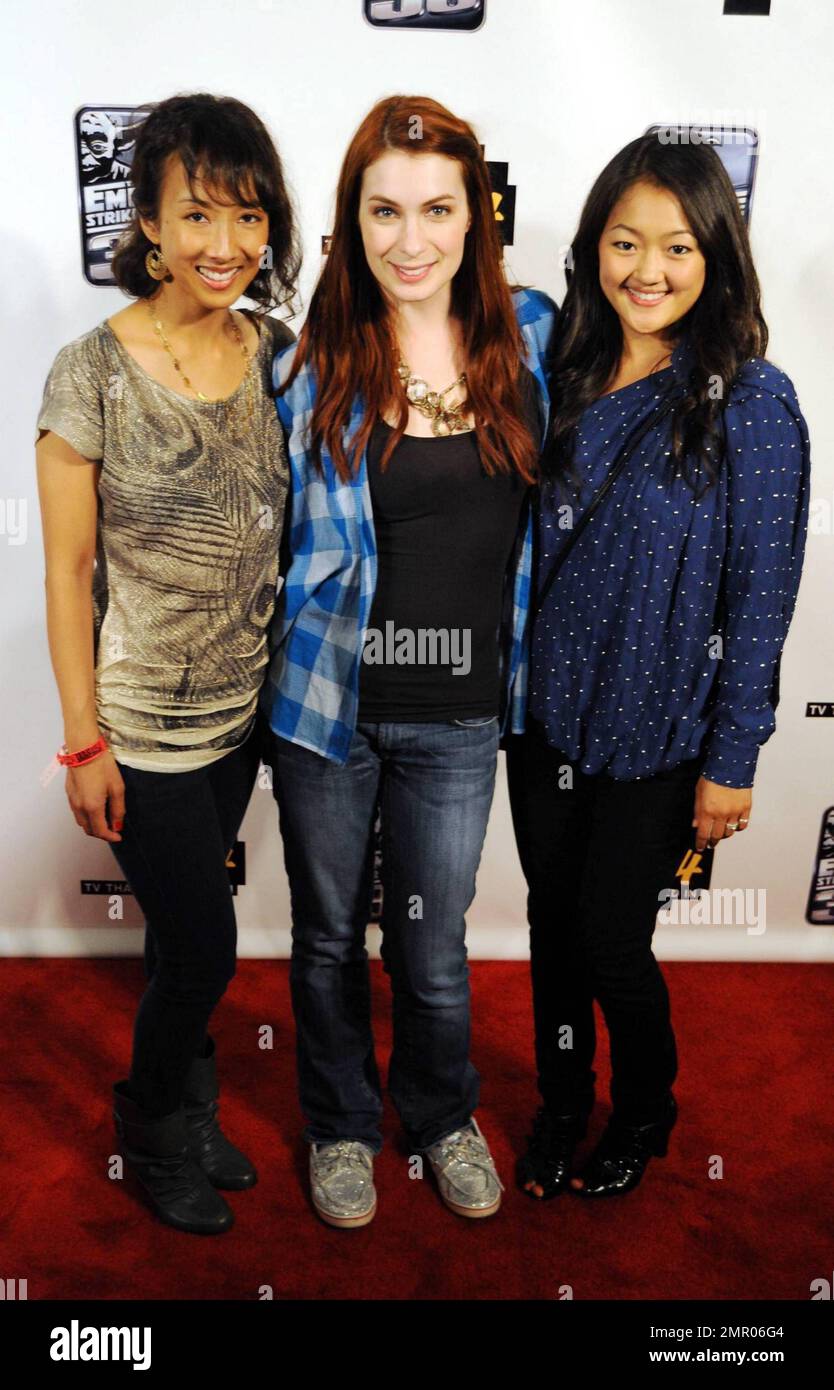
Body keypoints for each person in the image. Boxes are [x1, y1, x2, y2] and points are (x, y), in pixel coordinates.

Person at [260, 94, 556, 1227]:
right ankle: (340, 1123)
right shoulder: (305, 365)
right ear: (352, 219)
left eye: (439, 209)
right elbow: (260, 536)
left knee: (433, 951)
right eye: (384, 210)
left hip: (460, 716)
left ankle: (438, 1116)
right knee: (329, 935)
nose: (412, 238)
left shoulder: (529, 333)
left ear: (478, 218)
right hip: (325, 709)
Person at [507, 131, 810, 1201]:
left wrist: (735, 760)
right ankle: (557, 1100)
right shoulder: (566, 369)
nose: (647, 269)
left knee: (610, 943)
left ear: (716, 256)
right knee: (551, 928)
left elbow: (761, 597)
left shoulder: (752, 400)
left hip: (657, 729)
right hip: (543, 716)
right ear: (594, 247)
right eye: (625, 242)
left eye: (677, 247)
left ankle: (642, 1108)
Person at [35, 93, 299, 1234]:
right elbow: (64, 570)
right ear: (147, 220)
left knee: (175, 942)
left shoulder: (276, 354)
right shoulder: (90, 370)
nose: (225, 245)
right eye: (197, 215)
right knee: (205, 946)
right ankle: (150, 1127)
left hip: (241, 715)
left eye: (248, 217)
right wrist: (84, 741)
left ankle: (191, 1102)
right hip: (137, 729)